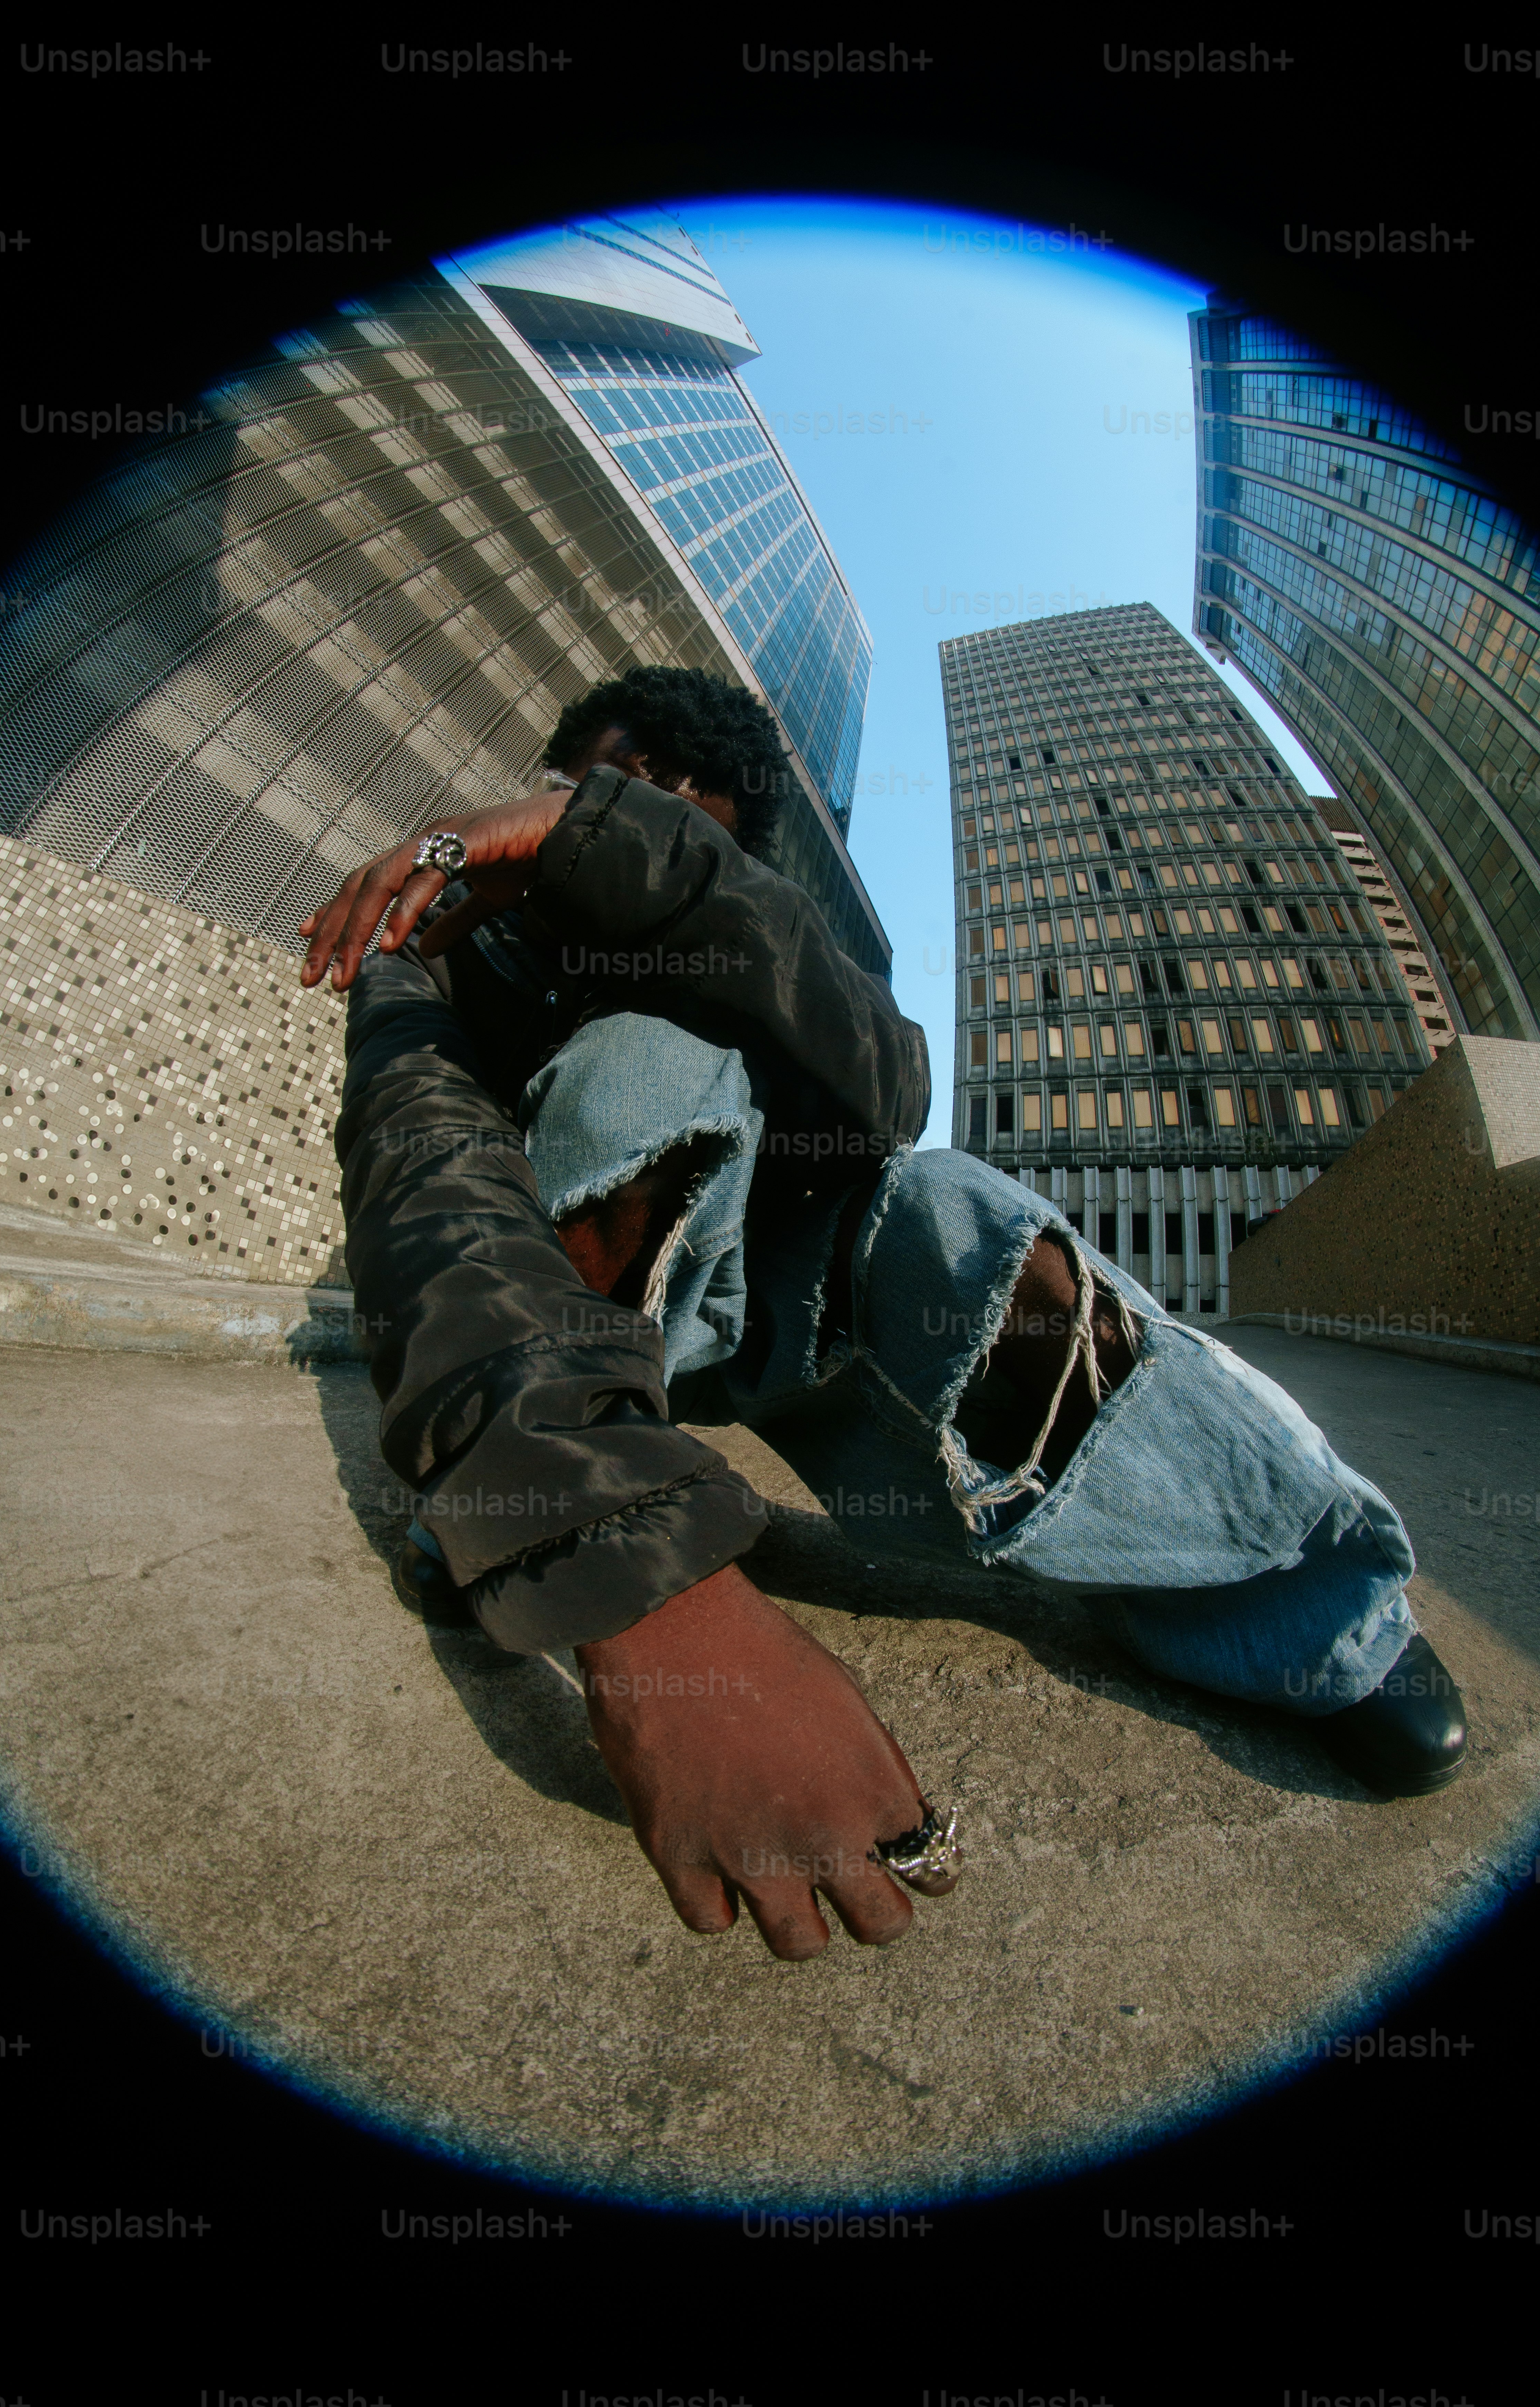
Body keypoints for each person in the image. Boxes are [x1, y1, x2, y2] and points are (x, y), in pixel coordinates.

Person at [299, 667, 1468, 1963]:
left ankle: (1303, 1597)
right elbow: (431, 1181)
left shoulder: (747, 923)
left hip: (787, 1313)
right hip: (576, 1321)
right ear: (550, 781)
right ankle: (518, 1505)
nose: (634, 809)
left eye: (689, 811)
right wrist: (627, 1578)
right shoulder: (445, 939)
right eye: (604, 780)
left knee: (947, 1207)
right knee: (638, 1063)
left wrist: (654, 869)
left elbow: (886, 1096)